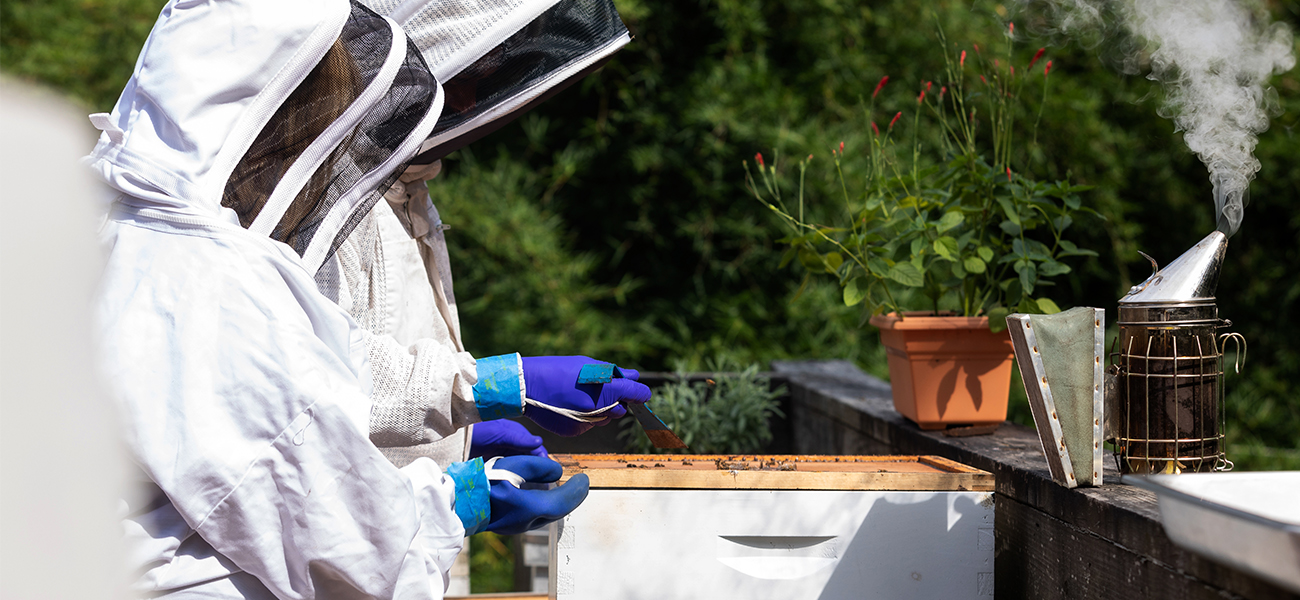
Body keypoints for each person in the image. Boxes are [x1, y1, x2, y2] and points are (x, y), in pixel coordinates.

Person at [88, 0, 646, 597]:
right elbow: (325, 518)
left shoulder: (124, 230)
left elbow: (308, 365)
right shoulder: (193, 277)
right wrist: (454, 507)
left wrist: (477, 394)